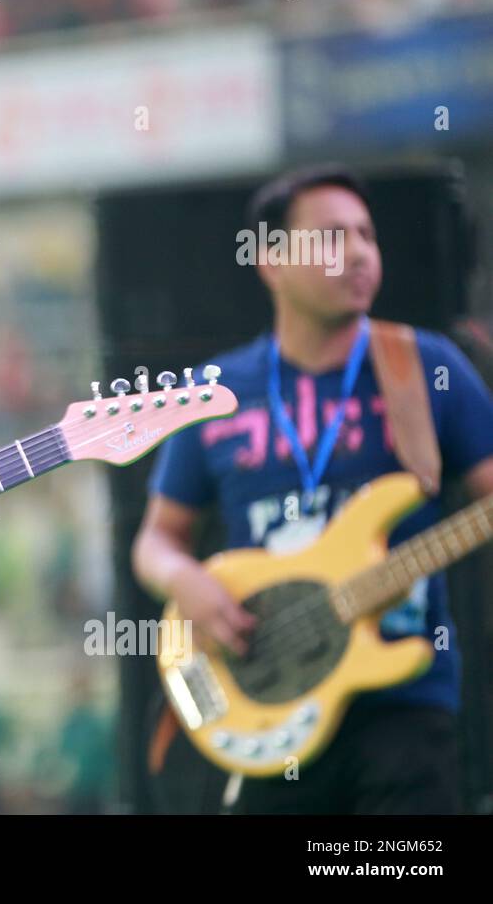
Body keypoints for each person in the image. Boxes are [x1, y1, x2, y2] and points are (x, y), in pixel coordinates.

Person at [132, 164, 493, 813]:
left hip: (403, 709)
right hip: (270, 704)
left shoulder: (426, 365)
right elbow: (157, 540)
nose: (357, 253)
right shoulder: (216, 388)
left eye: (366, 235)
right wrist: (189, 583)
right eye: (331, 237)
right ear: (271, 259)